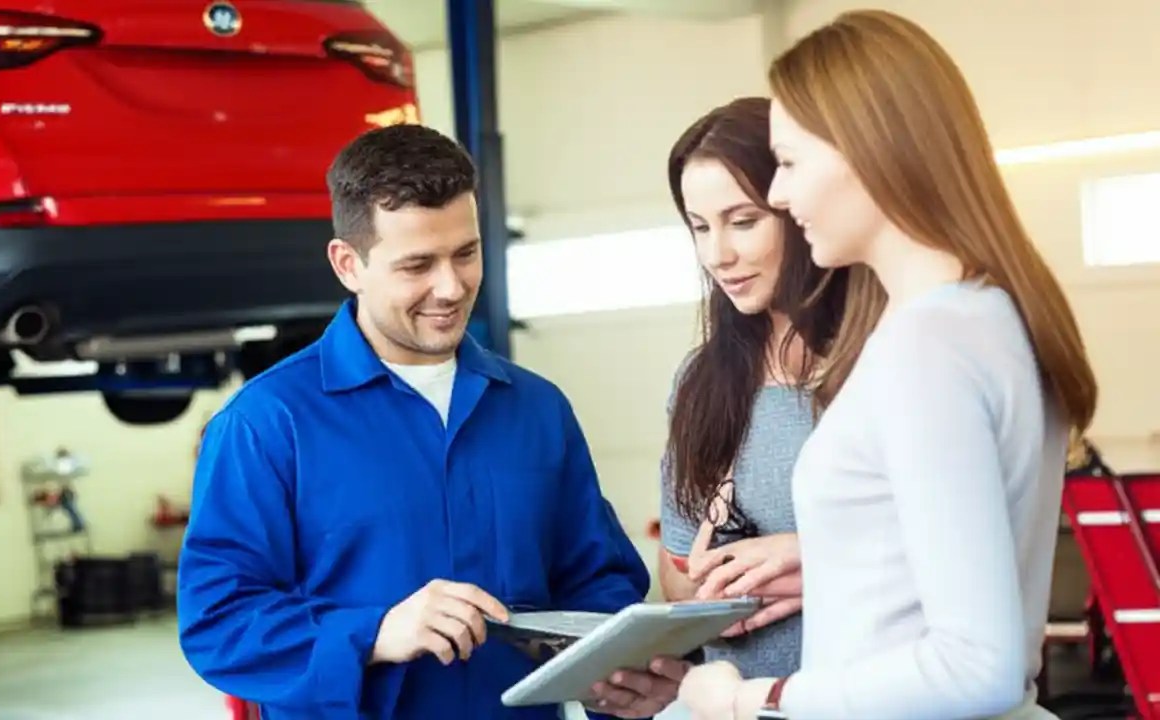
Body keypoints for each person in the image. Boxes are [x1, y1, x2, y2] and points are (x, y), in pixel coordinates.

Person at [177, 124, 685, 720]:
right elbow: (220, 621)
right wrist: (375, 632)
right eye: (417, 264)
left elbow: (596, 580)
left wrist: (616, 674)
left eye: (466, 253)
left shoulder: (536, 410)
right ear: (348, 264)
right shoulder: (266, 424)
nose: (450, 287)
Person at [678, 10, 1097, 720]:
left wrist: (752, 699)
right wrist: (833, 552)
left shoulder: (927, 347)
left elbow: (977, 667)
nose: (778, 194)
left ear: (867, 149)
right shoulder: (987, 318)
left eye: (789, 162)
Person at [656, 97, 847, 681]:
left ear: (798, 205)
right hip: (733, 701)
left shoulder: (876, 366)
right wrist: (712, 587)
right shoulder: (700, 382)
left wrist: (817, 559)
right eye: (700, 227)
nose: (718, 255)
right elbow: (677, 579)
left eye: (743, 221)